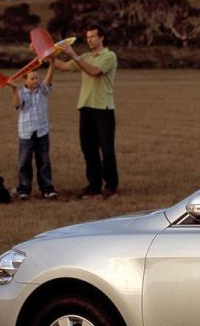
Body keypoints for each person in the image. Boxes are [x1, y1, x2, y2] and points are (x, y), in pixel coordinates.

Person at [56, 23, 119, 198]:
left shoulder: (109, 56)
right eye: (88, 37)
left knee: (106, 149)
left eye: (92, 37)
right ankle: (94, 185)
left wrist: (74, 55)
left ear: (101, 38)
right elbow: (63, 67)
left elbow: (94, 72)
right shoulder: (85, 56)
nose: (89, 40)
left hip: (103, 109)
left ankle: (111, 186)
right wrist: (46, 55)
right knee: (88, 149)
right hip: (86, 108)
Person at [10, 61, 56, 200]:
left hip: (42, 132)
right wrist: (13, 89)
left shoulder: (42, 90)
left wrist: (52, 63)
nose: (36, 80)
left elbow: (48, 79)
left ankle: (47, 188)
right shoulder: (21, 93)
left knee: (44, 161)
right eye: (32, 78)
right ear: (25, 80)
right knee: (24, 162)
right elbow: (16, 105)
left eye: (37, 78)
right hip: (26, 133)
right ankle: (24, 189)